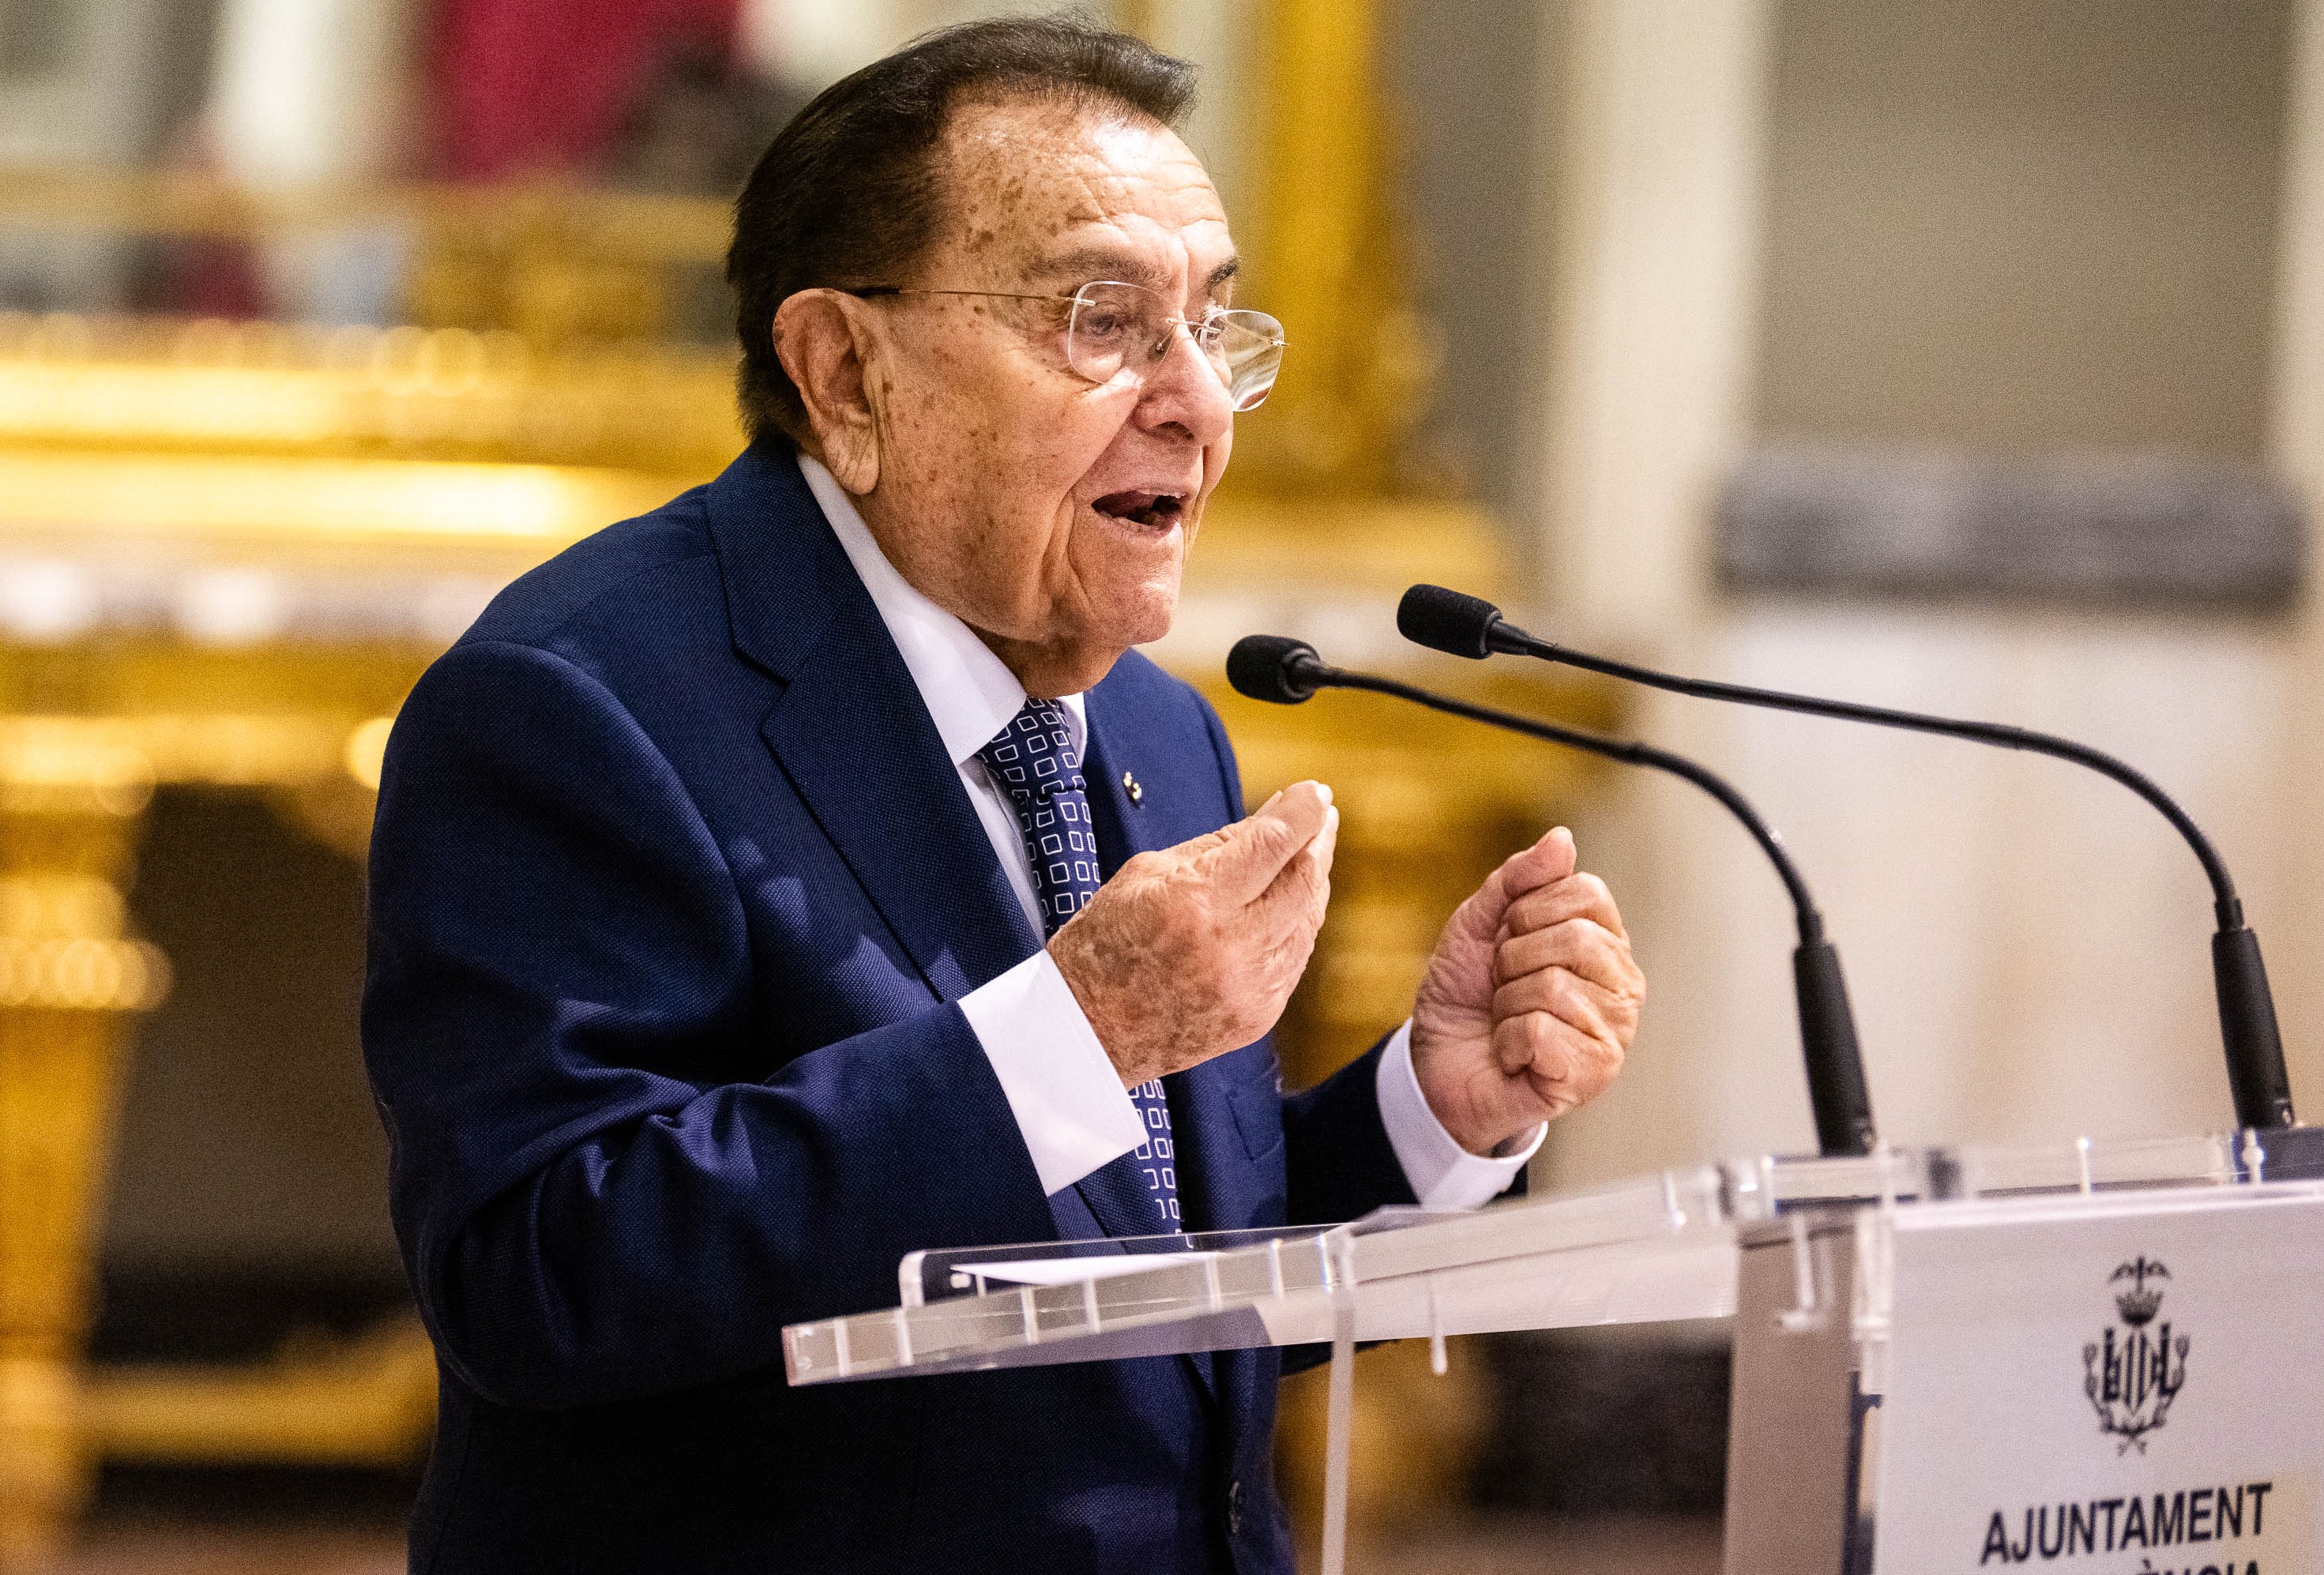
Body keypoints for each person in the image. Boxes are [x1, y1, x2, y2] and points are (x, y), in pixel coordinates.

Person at [362, 18, 1644, 1573]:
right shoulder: (579, 701)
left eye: (1214, 327)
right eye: (1102, 320)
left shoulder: (1157, 731)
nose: (1196, 405)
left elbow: (1139, 1288)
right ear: (844, 369)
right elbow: (545, 1276)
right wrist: (1079, 1028)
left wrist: (1430, 1111)